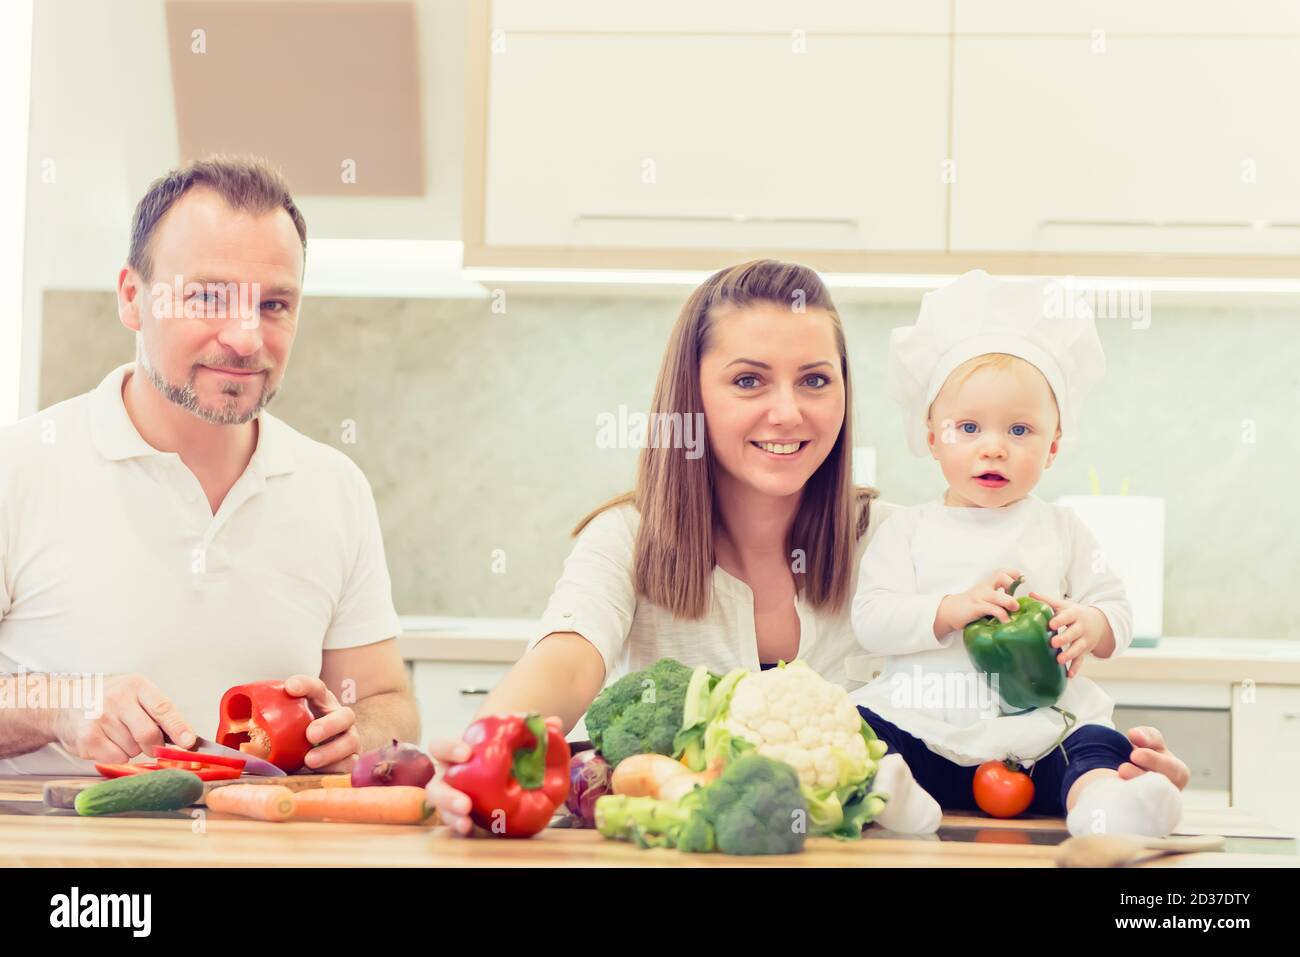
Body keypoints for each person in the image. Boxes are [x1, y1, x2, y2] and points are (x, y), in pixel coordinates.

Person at [426, 260, 1190, 835]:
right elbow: (567, 659)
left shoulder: (900, 538)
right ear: (692, 396)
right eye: (749, 380)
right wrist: (477, 755)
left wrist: (1099, 765)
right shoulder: (630, 537)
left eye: (815, 379)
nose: (787, 411)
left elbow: (989, 705)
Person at [0, 156, 416, 775]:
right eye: (208, 297)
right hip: (66, 856)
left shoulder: (335, 488)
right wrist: (59, 706)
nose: (247, 338)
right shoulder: (20, 468)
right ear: (132, 299)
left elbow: (389, 702)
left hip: (267, 849)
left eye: (274, 304)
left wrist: (353, 730)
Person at [851, 270, 1182, 837]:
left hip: (1038, 734)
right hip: (927, 723)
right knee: (857, 728)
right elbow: (871, 621)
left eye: (1021, 429)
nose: (994, 446)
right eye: (969, 426)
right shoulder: (907, 530)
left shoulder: (1064, 528)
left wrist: (1092, 624)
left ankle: (1103, 807)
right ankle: (898, 797)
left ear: (1055, 445)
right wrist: (951, 608)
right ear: (931, 437)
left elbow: (1116, 608)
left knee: (1096, 743)